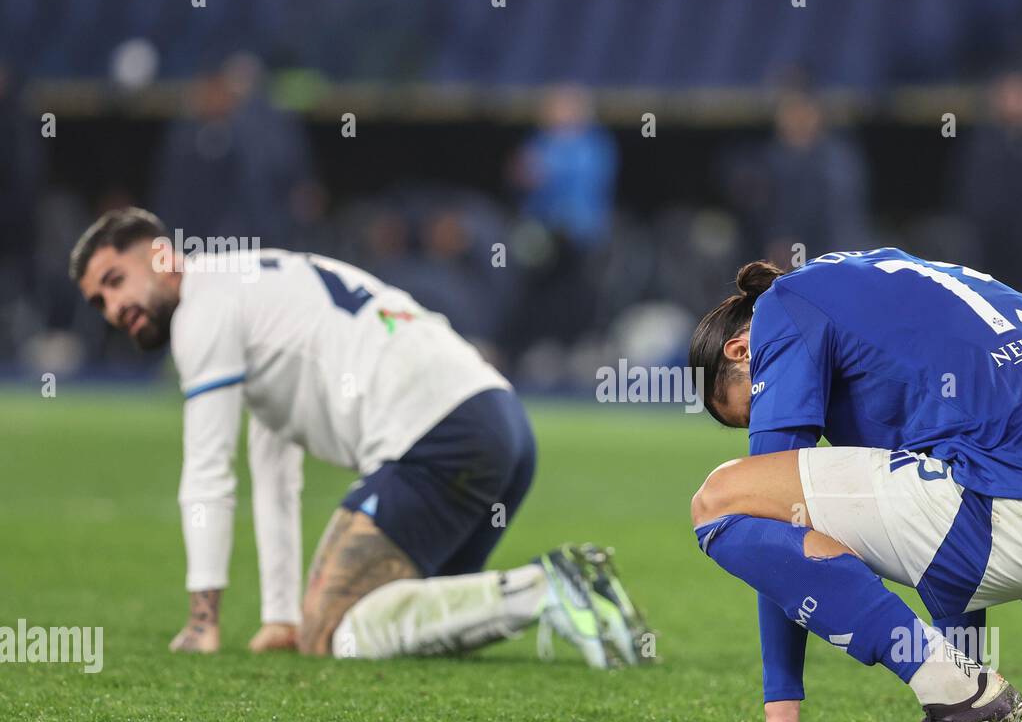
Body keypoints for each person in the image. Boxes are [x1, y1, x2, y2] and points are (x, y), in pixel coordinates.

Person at [68, 207, 648, 668]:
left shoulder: (203, 309)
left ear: (163, 255)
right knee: (400, 620)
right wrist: (278, 617)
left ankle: (547, 587)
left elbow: (207, 472)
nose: (115, 307)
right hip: (500, 424)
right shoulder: (249, 286)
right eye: (99, 301)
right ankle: (563, 596)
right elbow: (274, 469)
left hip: (438, 435)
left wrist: (203, 622)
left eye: (116, 281)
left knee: (331, 631)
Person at [687, 248, 1022, 722]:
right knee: (999, 481)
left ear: (741, 350)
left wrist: (782, 705)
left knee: (720, 498)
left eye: (752, 408)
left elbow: (775, 508)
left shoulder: (783, 306)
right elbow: (954, 491)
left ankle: (956, 695)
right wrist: (966, 666)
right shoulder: (900, 280)